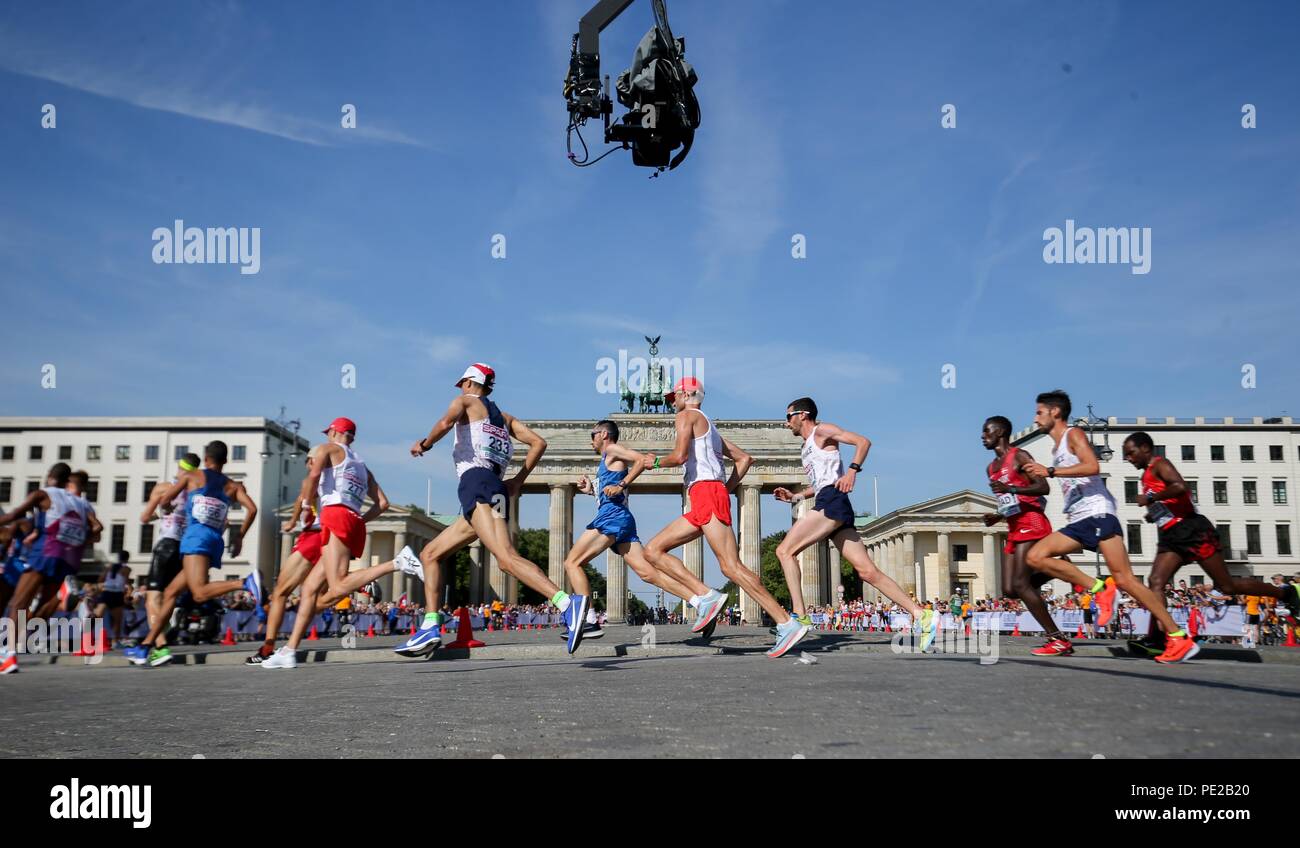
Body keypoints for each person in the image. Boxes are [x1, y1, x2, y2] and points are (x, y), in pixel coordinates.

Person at [391, 363, 591, 657]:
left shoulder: (465, 403)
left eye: (462, 383)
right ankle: (430, 625)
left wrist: (424, 444)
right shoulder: (505, 418)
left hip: (475, 482)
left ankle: (566, 603)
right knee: (430, 554)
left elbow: (446, 423)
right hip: (494, 485)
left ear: (471, 383)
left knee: (507, 559)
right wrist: (518, 481)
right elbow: (539, 442)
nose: (459, 389)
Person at [1022, 391, 1197, 663]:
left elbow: (1093, 465)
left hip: (1097, 514)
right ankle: (1101, 589)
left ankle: (1177, 637)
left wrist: (1051, 472)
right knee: (1037, 557)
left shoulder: (1074, 434)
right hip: (1080, 518)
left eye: (1039, 412)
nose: (1035, 418)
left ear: (1055, 412)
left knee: (1126, 579)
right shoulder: (1056, 448)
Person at [642, 377, 804, 658]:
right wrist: (725, 490)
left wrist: (653, 461)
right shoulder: (711, 428)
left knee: (731, 567)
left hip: (705, 492)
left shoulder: (687, 416)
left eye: (674, 396)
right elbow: (745, 459)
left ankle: (786, 622)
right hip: (707, 495)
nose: (672, 402)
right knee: (653, 550)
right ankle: (705, 596)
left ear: (689, 394)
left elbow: (680, 456)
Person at [772, 397, 936, 651]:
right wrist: (795, 496)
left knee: (784, 551)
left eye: (788, 416)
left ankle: (799, 616)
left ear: (802, 415)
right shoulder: (806, 446)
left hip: (832, 501)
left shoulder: (821, 430)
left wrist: (852, 471)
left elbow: (863, 442)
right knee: (867, 572)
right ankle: (920, 614)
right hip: (830, 499)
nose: (786, 423)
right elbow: (820, 483)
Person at [1122, 431, 1300, 657]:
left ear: (1145, 448)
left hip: (1191, 530)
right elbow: (1170, 499)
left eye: (1131, 453)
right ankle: (1158, 638)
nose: (1128, 458)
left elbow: (1180, 486)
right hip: (1171, 535)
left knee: (1226, 586)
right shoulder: (1146, 475)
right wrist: (1154, 513)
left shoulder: (1160, 464)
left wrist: (1150, 499)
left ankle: (1286, 594)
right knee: (1155, 581)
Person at [262, 418, 420, 669]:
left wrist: (304, 507)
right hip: (352, 519)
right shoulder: (361, 465)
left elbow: (313, 477)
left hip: (334, 514)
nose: (327, 436)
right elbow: (383, 503)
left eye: (329, 432)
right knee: (310, 590)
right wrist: (360, 520)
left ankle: (396, 562)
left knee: (337, 584)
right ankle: (290, 650)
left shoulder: (327, 449)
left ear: (335, 432)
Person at [563, 419, 713, 647]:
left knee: (572, 562)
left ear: (604, 434)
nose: (590, 440)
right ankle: (699, 601)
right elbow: (609, 492)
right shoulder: (607, 459)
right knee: (647, 573)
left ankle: (590, 620)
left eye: (592, 434)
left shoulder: (612, 449)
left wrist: (622, 484)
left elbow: (642, 460)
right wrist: (590, 490)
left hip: (612, 518)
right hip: (620, 517)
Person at [126, 441, 262, 667]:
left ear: (206, 459)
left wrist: (167, 507)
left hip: (195, 537)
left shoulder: (193, 476)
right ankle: (146, 647)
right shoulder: (232, 486)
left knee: (199, 593)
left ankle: (245, 582)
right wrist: (239, 537)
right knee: (170, 593)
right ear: (225, 461)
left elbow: (165, 499)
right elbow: (253, 509)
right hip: (214, 540)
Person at [980, 415, 1076, 652]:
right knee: (1010, 590)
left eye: (987, 431)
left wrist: (1010, 487)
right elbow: (1011, 500)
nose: (983, 436)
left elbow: (1043, 487)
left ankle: (1057, 639)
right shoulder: (991, 468)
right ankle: (1057, 568)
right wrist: (999, 515)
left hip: (1031, 522)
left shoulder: (1020, 456)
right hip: (1013, 525)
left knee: (1022, 584)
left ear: (1000, 432)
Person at [139, 453, 201, 659]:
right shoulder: (197, 492)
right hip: (186, 547)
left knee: (152, 598)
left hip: (167, 543)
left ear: (180, 467)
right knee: (168, 597)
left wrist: (161, 513)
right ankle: (164, 631)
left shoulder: (164, 488)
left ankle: (160, 646)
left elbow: (145, 517)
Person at [94, 550, 132, 648]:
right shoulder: (127, 568)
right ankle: (115, 642)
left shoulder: (109, 567)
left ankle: (89, 638)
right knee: (117, 620)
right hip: (117, 594)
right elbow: (126, 582)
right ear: (127, 558)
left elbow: (100, 579)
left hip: (107, 592)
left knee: (97, 616)